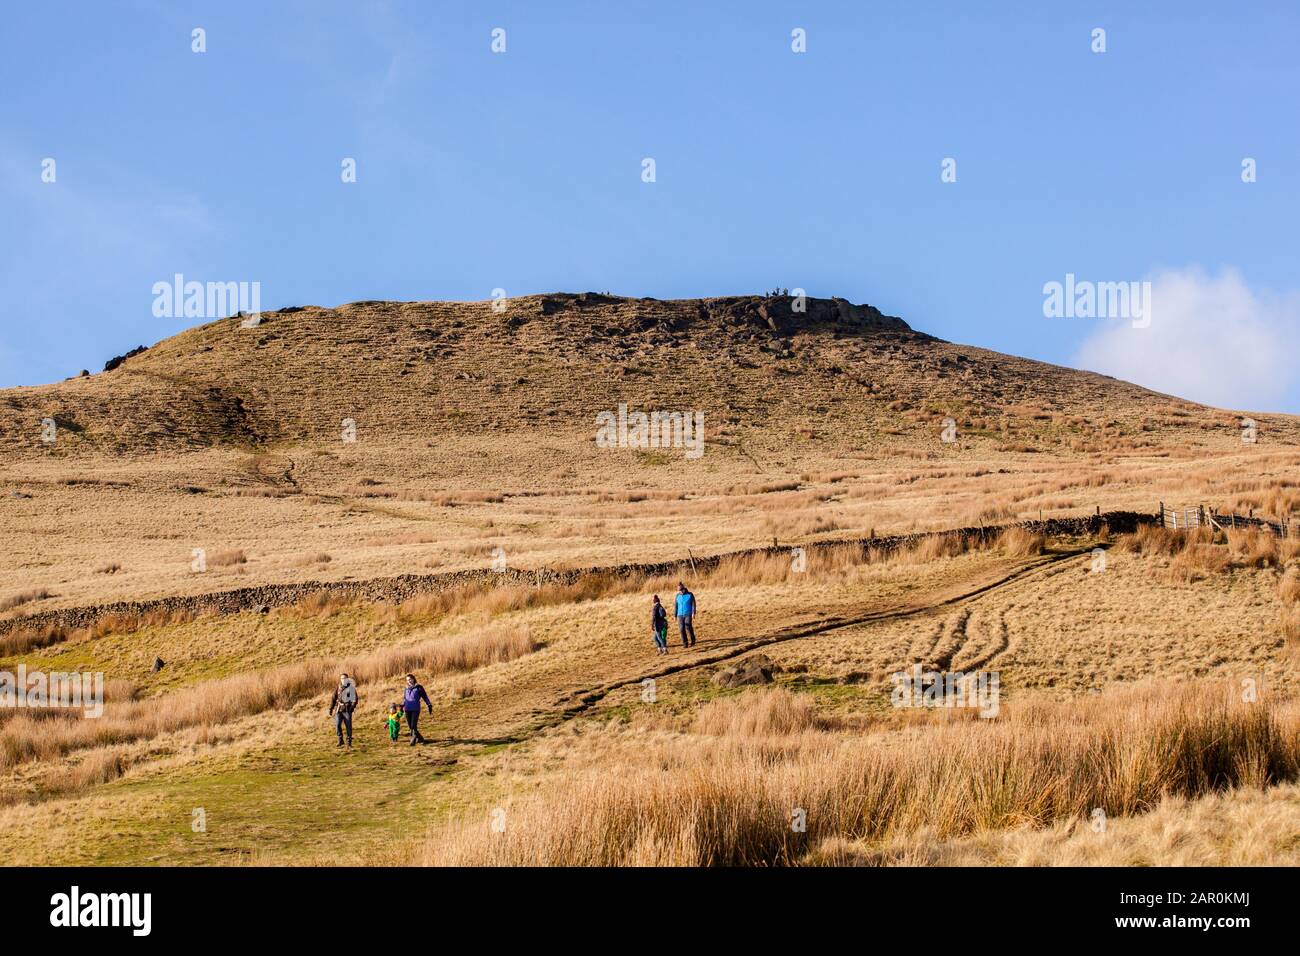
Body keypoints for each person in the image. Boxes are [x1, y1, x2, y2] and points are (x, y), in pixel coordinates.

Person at [328, 672, 358, 747]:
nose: (343, 680)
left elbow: (355, 699)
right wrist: (330, 709)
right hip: (338, 709)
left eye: (344, 678)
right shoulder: (338, 687)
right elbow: (333, 698)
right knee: (337, 725)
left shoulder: (351, 688)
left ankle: (349, 742)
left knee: (348, 727)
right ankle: (340, 740)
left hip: (347, 710)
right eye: (342, 678)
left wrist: (352, 707)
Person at [402, 674, 433, 746]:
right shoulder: (406, 688)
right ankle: (421, 738)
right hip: (407, 709)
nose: (409, 681)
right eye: (407, 680)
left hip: (415, 709)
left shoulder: (419, 687)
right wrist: (402, 705)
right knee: (410, 726)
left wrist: (429, 705)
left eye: (410, 679)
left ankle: (413, 738)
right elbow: (405, 699)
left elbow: (425, 697)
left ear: (413, 679)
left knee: (413, 725)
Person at [674, 582, 697, 648]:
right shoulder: (677, 596)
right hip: (680, 615)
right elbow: (676, 606)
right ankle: (685, 643)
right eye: (679, 590)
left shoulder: (690, 594)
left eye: (681, 590)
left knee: (688, 627)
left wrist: (693, 613)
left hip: (688, 614)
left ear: (684, 588)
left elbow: (693, 604)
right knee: (681, 629)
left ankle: (693, 640)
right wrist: (675, 615)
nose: (680, 591)